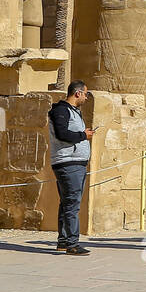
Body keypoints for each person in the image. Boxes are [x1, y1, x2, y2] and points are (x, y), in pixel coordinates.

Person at [48, 81, 95, 256]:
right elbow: (62, 134)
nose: (86, 97)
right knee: (72, 204)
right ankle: (72, 243)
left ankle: (64, 241)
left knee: (67, 203)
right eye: (85, 94)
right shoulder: (62, 110)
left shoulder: (74, 112)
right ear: (77, 93)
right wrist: (84, 135)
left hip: (75, 163)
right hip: (68, 162)